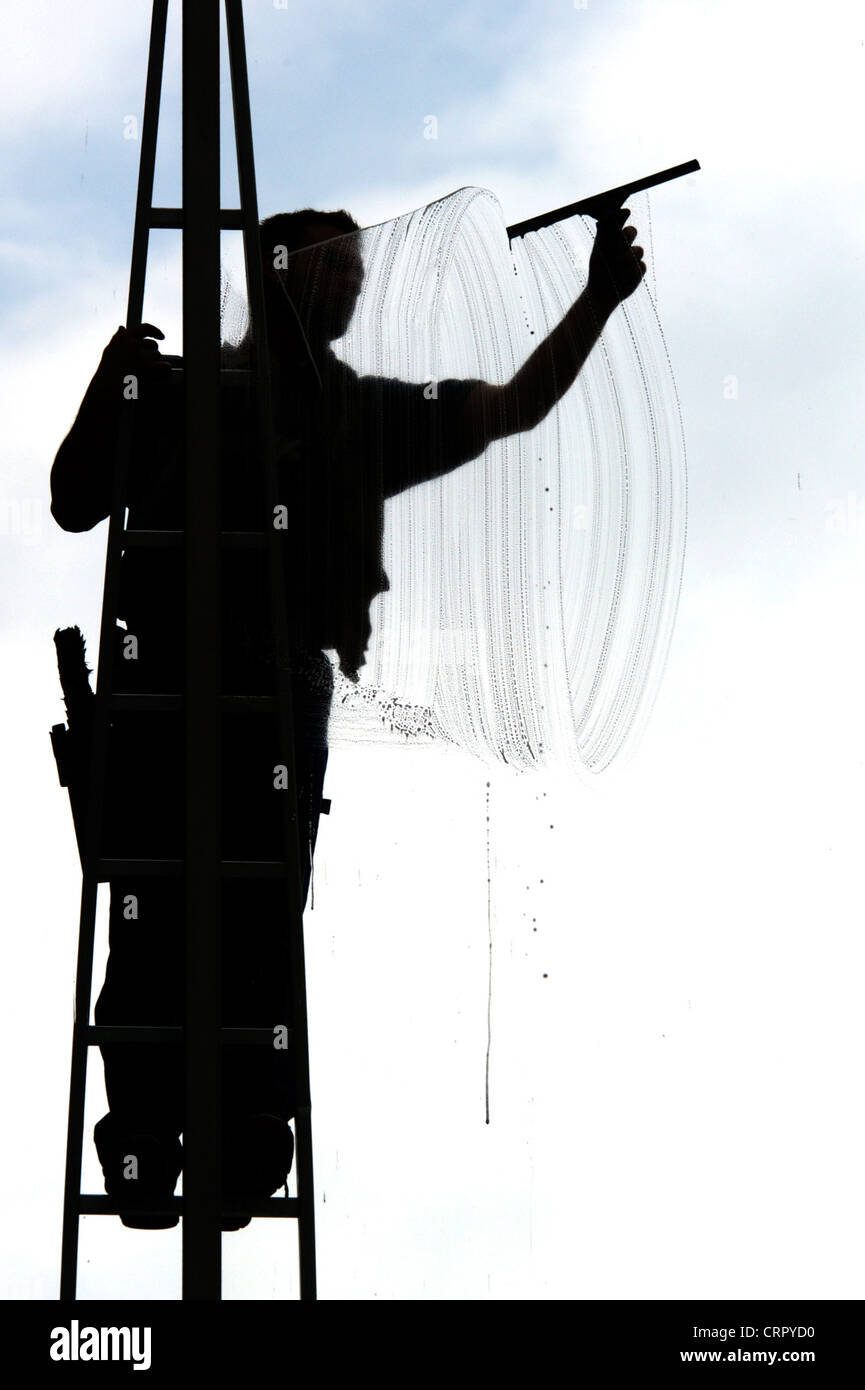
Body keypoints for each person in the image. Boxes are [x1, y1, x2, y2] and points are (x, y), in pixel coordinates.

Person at [50, 202, 645, 1228]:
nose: (357, 286)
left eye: (358, 272)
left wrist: (596, 300)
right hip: (167, 716)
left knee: (241, 938)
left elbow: (506, 408)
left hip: (248, 721)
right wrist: (117, 387)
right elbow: (72, 498)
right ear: (276, 269)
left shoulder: (354, 414)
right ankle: (151, 1140)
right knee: (162, 934)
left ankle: (233, 1143)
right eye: (338, 269)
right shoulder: (183, 388)